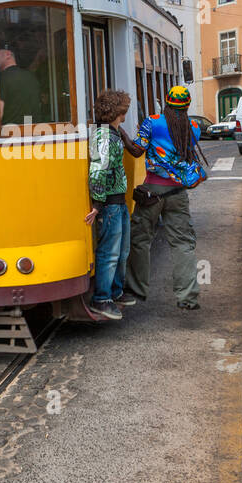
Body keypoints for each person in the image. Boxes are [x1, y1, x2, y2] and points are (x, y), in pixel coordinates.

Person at [123, 85, 206, 311]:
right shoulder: (194, 127)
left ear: (167, 102)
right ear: (187, 105)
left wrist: (121, 132)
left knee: (140, 239)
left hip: (152, 192)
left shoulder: (153, 122)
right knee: (183, 244)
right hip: (178, 194)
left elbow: (137, 150)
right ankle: (187, 296)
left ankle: (137, 289)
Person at [84, 89, 135, 320]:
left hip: (118, 200)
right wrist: (98, 204)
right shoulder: (104, 136)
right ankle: (101, 299)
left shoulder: (111, 132)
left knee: (121, 251)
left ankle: (115, 292)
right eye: (124, 108)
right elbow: (98, 170)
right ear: (118, 111)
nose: (126, 111)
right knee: (110, 252)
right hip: (111, 204)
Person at [0, 45, 42, 126]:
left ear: (8, 55)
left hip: (9, 132)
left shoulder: (2, 78)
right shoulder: (31, 76)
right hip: (30, 129)